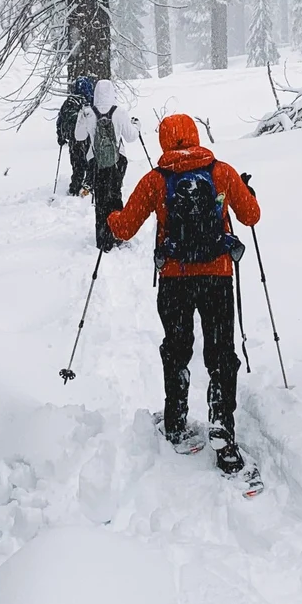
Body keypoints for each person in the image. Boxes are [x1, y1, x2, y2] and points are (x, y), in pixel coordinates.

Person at [107, 113, 260, 474]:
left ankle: (176, 421)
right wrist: (246, 192)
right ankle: (222, 425)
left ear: (163, 140)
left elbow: (125, 228)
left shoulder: (156, 180)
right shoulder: (221, 172)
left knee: (177, 348)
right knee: (221, 352)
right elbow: (251, 216)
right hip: (218, 276)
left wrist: (112, 214)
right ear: (195, 134)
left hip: (175, 278)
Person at [76, 79, 139, 251]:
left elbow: (79, 136)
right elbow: (131, 137)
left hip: (96, 161)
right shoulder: (119, 112)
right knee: (115, 195)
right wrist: (136, 126)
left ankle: (103, 238)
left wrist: (82, 118)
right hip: (117, 160)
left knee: (101, 199)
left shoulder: (88, 113)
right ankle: (118, 234)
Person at [56, 76, 95, 196]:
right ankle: (88, 186)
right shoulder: (89, 102)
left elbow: (60, 120)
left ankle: (75, 186)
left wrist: (61, 137)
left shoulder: (69, 101)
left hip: (73, 138)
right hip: (86, 137)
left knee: (77, 163)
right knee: (89, 161)